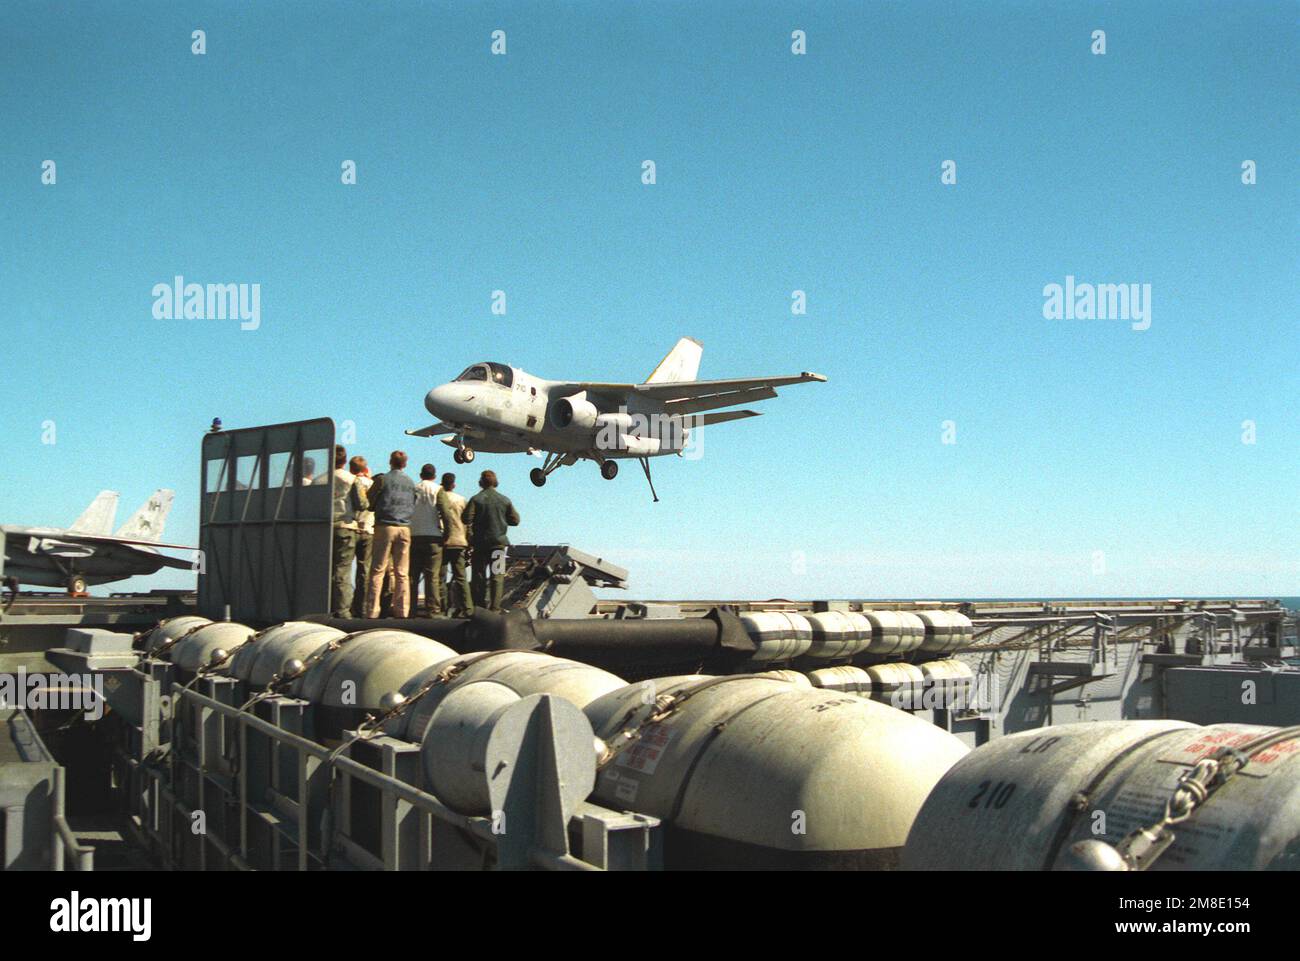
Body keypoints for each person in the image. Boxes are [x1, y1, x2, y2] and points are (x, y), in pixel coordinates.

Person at [365, 451, 415, 619]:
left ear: (390, 462)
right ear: (405, 464)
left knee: (378, 570)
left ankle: (372, 610)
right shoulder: (410, 482)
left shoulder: (382, 479)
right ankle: (402, 611)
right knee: (402, 572)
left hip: (385, 526)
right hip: (405, 528)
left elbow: (368, 502)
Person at [463, 470, 520, 613]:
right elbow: (515, 520)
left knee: (479, 576)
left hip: (480, 545)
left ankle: (479, 608)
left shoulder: (476, 499)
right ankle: (494, 608)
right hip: (498, 545)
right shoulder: (504, 500)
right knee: (497, 576)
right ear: (495, 482)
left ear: (481, 482)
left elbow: (466, 518)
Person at [330, 445, 365, 617]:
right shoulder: (352, 480)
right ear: (345, 461)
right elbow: (362, 504)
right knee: (342, 570)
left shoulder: (320, 480)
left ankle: (327, 606)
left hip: (324, 529)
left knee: (326, 570)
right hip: (345, 527)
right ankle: (343, 610)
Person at [407, 464, 444, 617]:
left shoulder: (414, 489)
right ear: (434, 476)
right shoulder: (438, 490)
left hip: (414, 535)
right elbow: (444, 511)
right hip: (434, 537)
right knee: (432, 577)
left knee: (412, 576)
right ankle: (433, 610)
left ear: (421, 475)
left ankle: (411, 609)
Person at [436, 473, 472, 617]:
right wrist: (469, 541)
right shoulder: (461, 500)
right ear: (454, 485)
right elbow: (468, 523)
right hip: (459, 541)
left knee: (440, 578)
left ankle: (443, 607)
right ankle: (468, 608)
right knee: (461, 577)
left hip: (443, 541)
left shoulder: (438, 498)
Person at [349, 455, 376, 617]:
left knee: (343, 570)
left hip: (352, 528)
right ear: (365, 469)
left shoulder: (349, 481)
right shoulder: (372, 484)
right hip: (369, 530)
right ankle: (361, 608)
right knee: (364, 571)